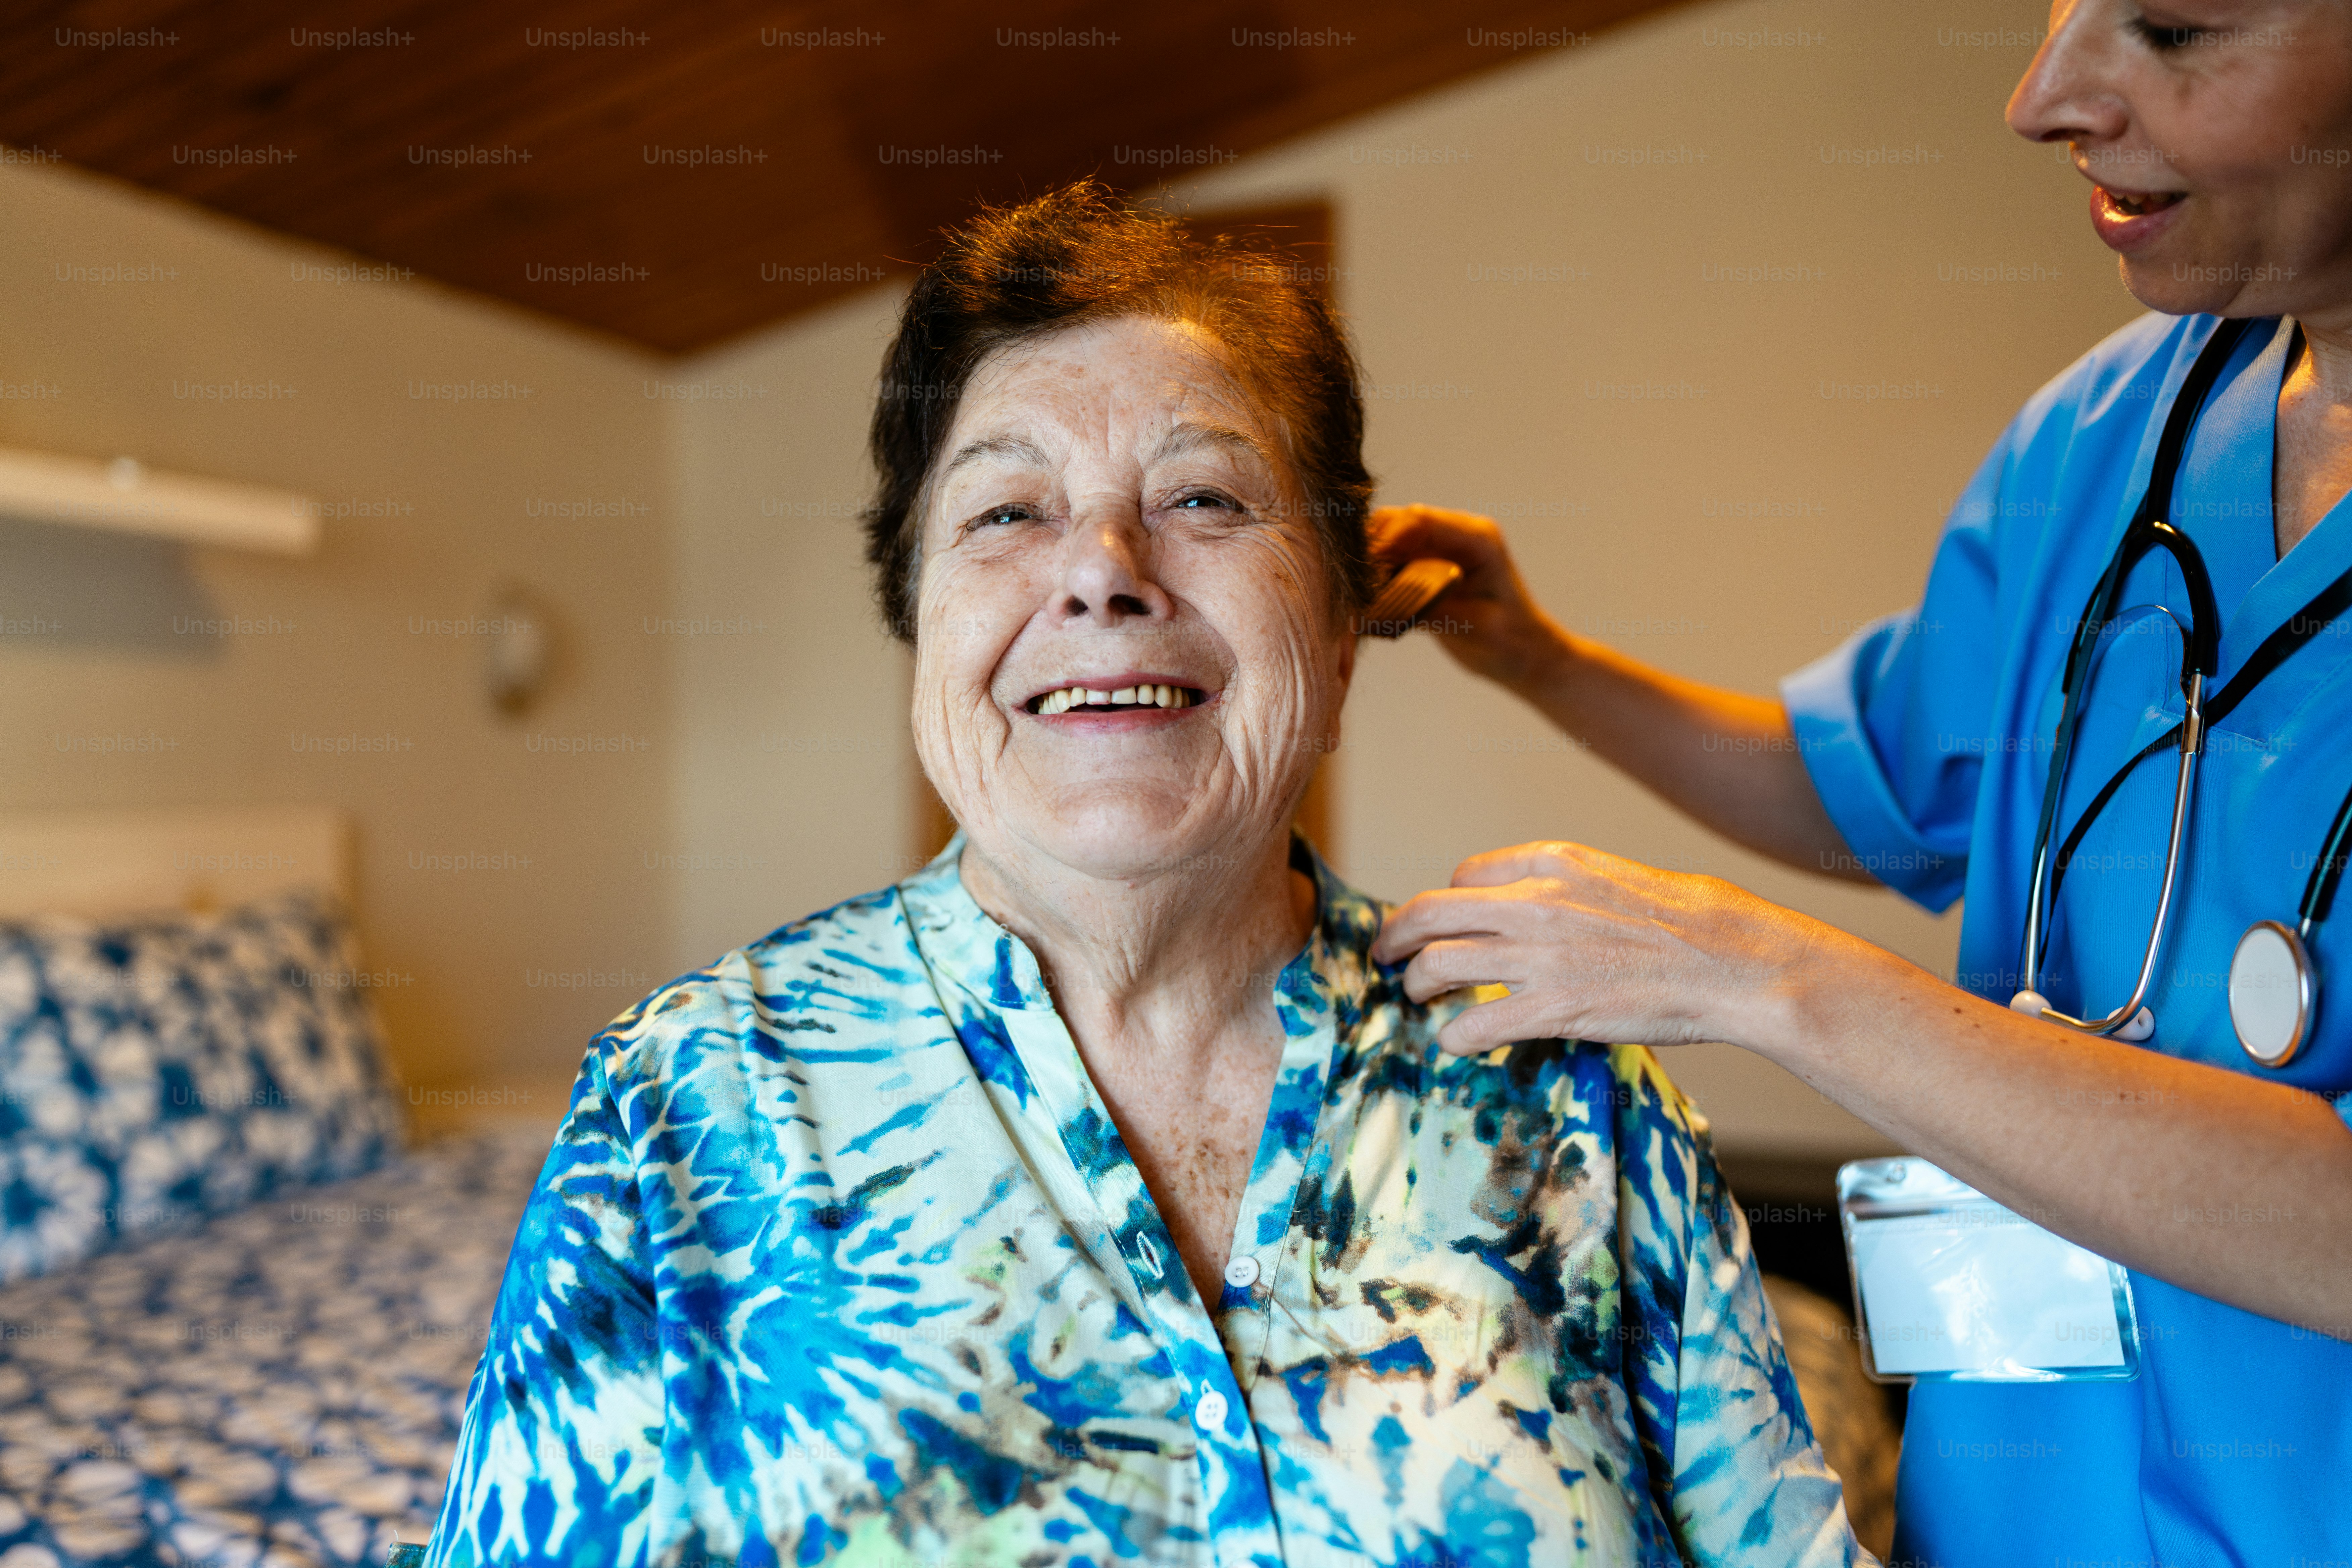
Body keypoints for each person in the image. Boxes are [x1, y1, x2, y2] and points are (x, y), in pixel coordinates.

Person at [419, 184, 1871, 1566]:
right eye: (1006, 512)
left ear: (1344, 619)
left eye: (1205, 499)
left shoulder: (1576, 1099)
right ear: (917, 620)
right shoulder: (684, 1103)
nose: (1105, 570)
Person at [1367, 5, 2352, 1564]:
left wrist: (1764, 977)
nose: (2042, 101)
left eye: (2168, 24)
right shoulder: (2111, 435)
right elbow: (1885, 783)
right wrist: (1539, 659)